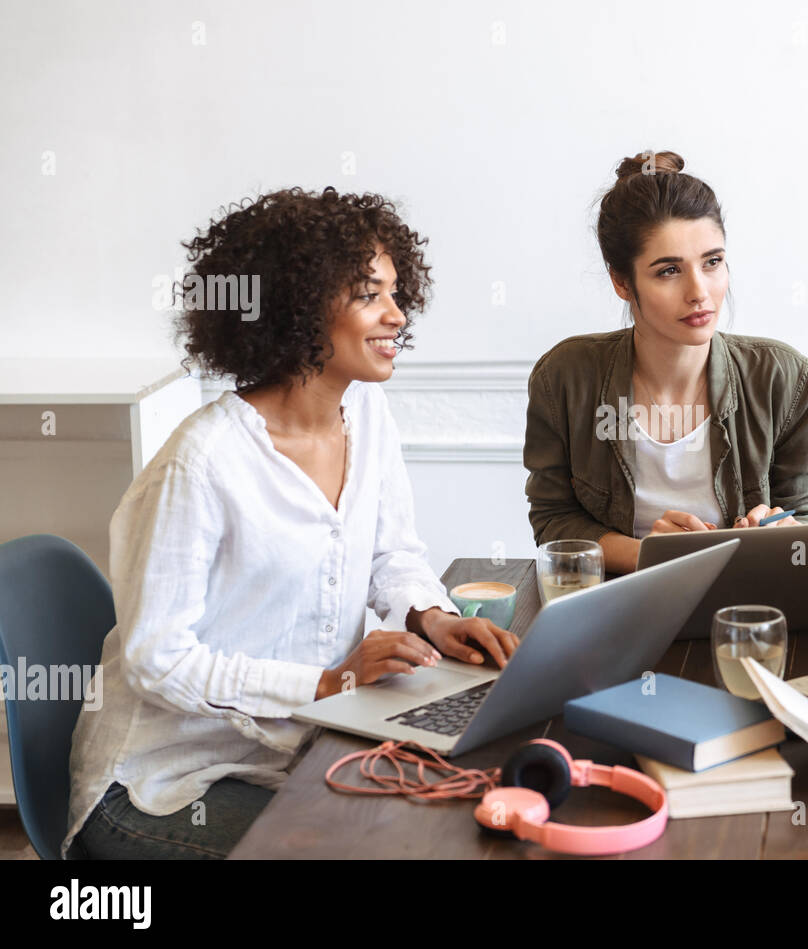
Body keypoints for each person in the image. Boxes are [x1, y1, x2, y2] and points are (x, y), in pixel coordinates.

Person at [63, 187, 518, 859]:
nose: (397, 316)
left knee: (453, 813)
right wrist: (326, 683)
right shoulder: (202, 462)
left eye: (397, 293)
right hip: (163, 786)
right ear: (299, 308)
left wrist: (432, 616)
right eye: (370, 295)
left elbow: (393, 552)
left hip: (300, 748)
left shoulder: (365, 415)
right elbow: (158, 657)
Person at [524, 151, 808, 574]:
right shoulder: (564, 377)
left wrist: (781, 533)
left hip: (747, 606)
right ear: (621, 281)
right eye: (669, 270)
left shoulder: (786, 378)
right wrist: (650, 556)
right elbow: (553, 519)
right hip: (618, 603)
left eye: (712, 262)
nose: (699, 291)